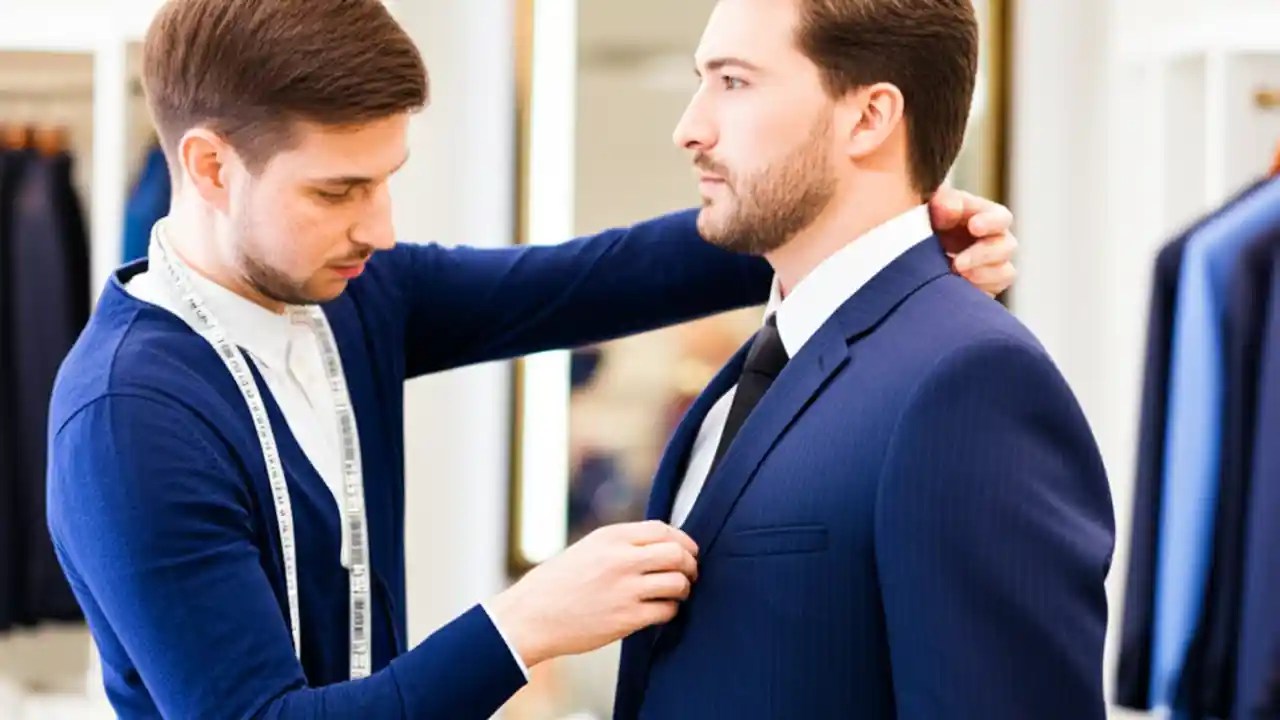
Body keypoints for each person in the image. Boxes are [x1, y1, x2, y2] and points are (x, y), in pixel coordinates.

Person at [44, 0, 1019, 718]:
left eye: (387, 182)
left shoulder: (350, 294)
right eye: (337, 191)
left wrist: (882, 224)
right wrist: (521, 628)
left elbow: (599, 277)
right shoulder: (130, 417)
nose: (379, 231)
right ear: (211, 167)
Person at [612, 1, 1115, 718]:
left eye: (734, 82)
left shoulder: (973, 382)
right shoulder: (751, 374)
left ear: (871, 116)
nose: (689, 127)